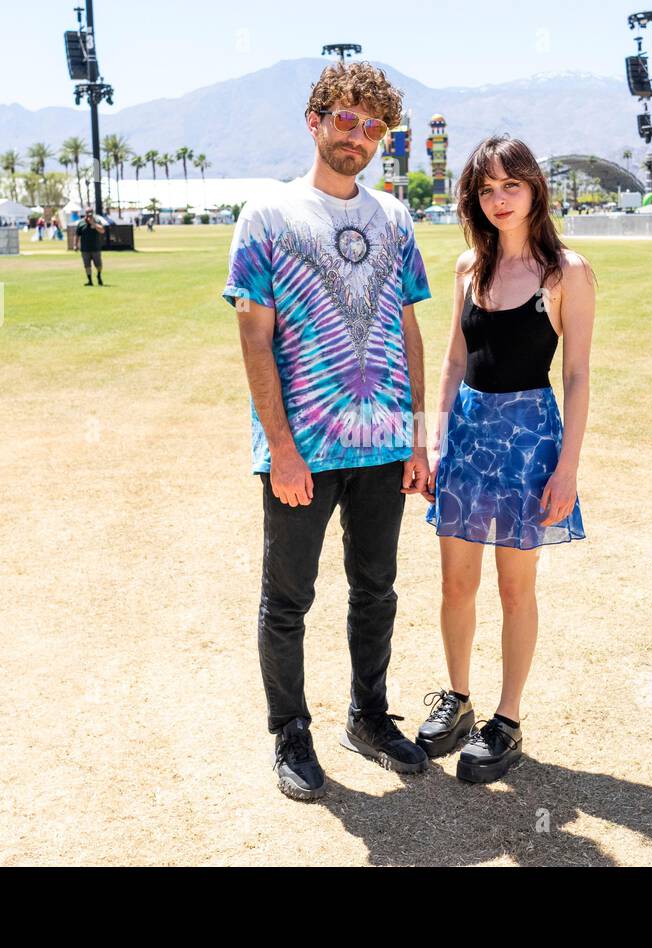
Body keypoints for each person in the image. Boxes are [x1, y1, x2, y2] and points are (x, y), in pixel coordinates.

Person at [222, 61, 433, 801]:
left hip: (383, 447)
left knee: (377, 590)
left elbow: (408, 328)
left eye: (374, 128)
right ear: (314, 122)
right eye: (346, 121)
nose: (360, 138)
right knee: (289, 600)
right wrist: (279, 446)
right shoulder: (269, 215)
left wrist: (419, 436)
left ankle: (368, 718)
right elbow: (255, 339)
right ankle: (291, 734)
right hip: (303, 450)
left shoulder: (396, 218)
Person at [418, 135, 594, 784]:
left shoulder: (565, 273)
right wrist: (432, 439)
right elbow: (454, 358)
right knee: (454, 584)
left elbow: (576, 375)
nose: (499, 199)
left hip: (529, 443)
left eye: (510, 185)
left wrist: (568, 468)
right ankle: (457, 703)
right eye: (487, 188)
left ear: (534, 189)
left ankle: (507, 720)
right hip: (465, 439)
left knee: (515, 588)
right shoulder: (468, 266)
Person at [76, 211, 106, 286]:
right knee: (87, 265)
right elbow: (77, 235)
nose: (89, 215)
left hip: (95, 248)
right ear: (85, 214)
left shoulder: (97, 221)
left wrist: (93, 224)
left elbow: (102, 231)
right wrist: (75, 245)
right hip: (85, 249)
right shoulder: (81, 223)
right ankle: (90, 281)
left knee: (98, 265)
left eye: (91, 213)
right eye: (88, 213)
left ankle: (99, 276)